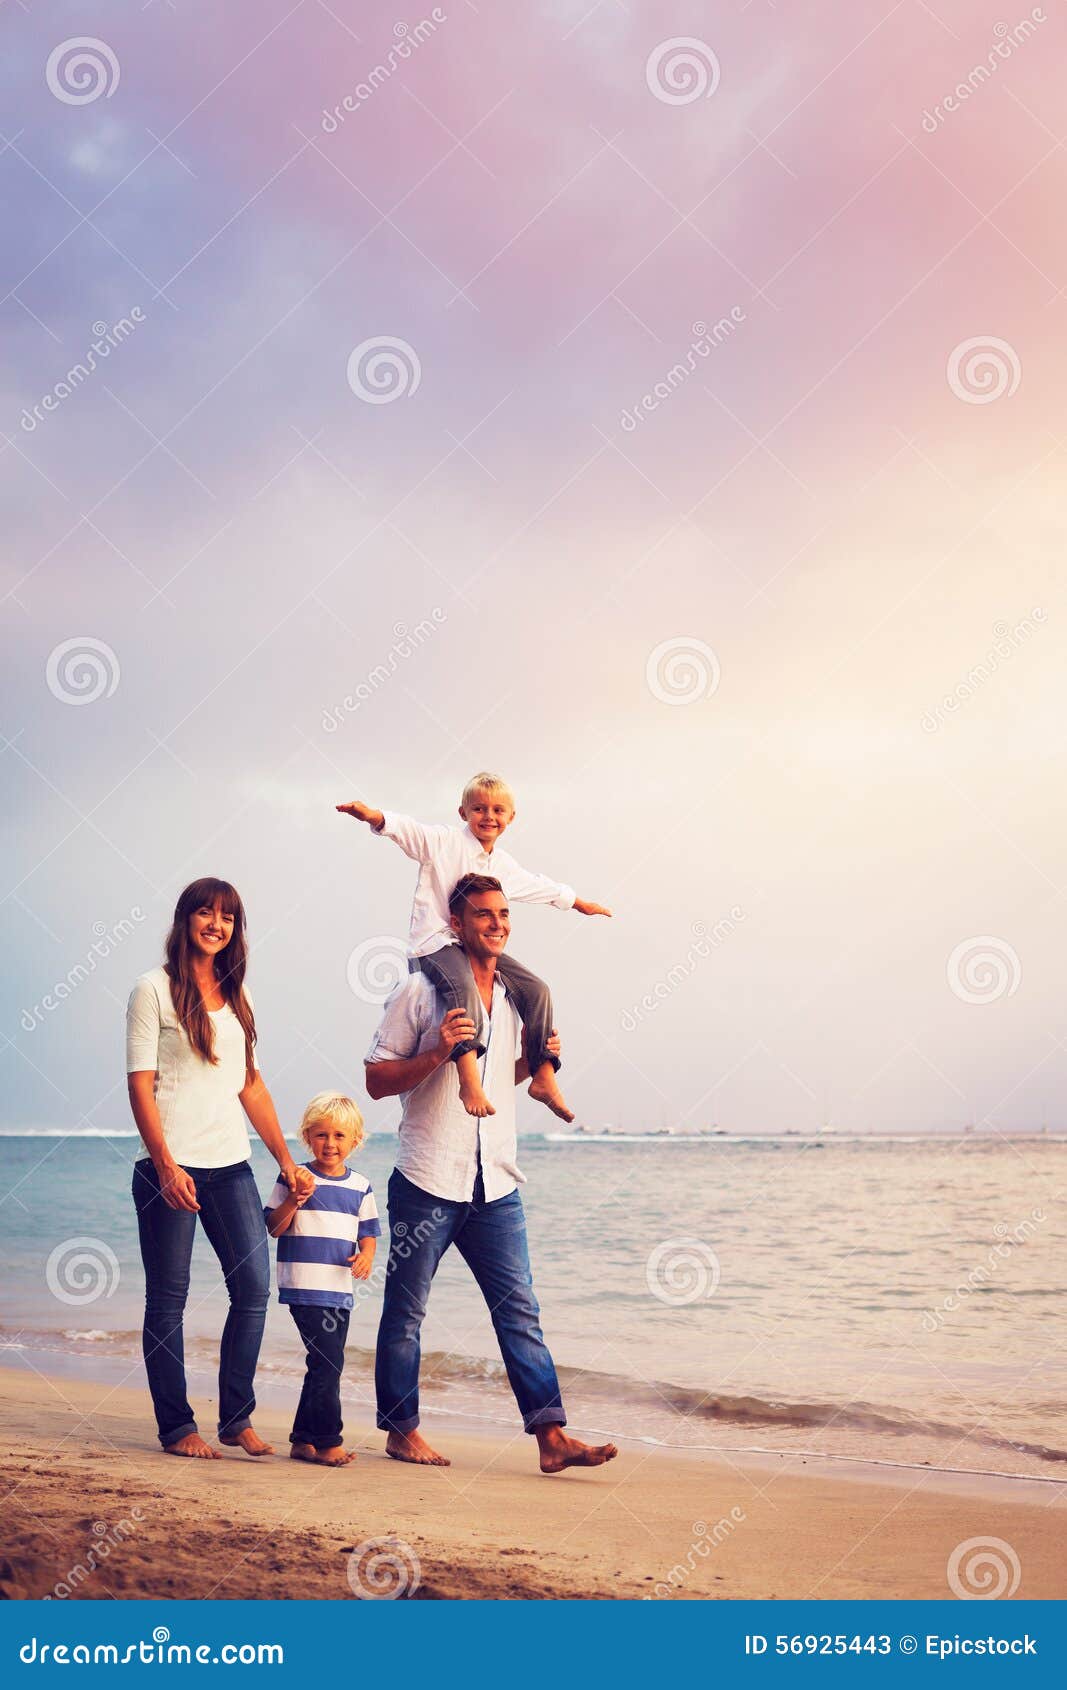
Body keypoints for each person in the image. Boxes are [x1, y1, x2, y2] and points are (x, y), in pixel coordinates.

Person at [366, 871, 618, 1474]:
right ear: (456, 924)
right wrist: (435, 1053)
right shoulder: (420, 993)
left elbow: (500, 1080)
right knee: (406, 1311)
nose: (498, 923)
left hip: (496, 1181)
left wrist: (537, 1060)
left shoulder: (515, 996)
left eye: (504, 914)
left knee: (519, 1311)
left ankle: (551, 1437)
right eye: (484, 914)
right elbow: (376, 1080)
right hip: (428, 1177)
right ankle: (402, 1430)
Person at [125, 877, 311, 1460]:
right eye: (205, 913)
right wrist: (164, 1164)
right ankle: (177, 1427)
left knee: (254, 1289)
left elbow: (249, 1085)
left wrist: (285, 1158)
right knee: (168, 1301)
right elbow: (141, 1085)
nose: (216, 924)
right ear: (184, 920)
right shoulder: (151, 989)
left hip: (231, 1167)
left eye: (227, 917)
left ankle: (236, 1419)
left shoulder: (239, 996)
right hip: (170, 1169)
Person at [338, 771, 611, 1123]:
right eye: (479, 808)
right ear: (463, 812)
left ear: (511, 818)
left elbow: (537, 886)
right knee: (465, 986)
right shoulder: (443, 843)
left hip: (477, 948)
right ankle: (468, 1078)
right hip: (435, 945)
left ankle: (543, 1075)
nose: (489, 817)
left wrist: (578, 903)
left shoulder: (502, 865)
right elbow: (408, 830)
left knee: (537, 990)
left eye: (498, 810)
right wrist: (374, 816)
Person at [264, 1092, 381, 1468]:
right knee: (329, 1362)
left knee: (322, 1363)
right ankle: (329, 1441)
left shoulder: (360, 1186)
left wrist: (366, 1256)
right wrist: (295, 1200)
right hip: (302, 1284)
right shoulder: (295, 1177)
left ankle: (302, 1440)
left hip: (339, 1290)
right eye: (321, 1135)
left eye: (339, 1136)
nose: (330, 1144)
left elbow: (369, 1233)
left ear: (355, 1141)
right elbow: (274, 1228)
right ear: (307, 1136)